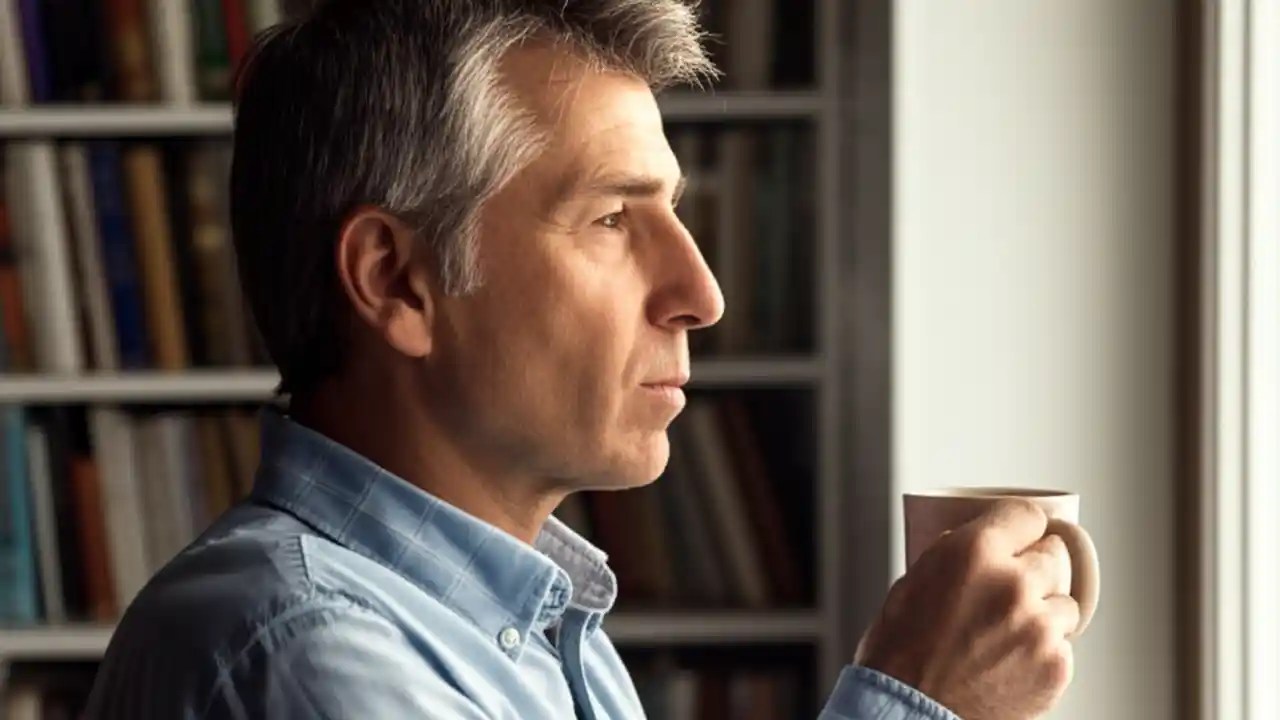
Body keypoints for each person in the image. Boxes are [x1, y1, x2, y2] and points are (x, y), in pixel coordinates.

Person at [85, 1, 1082, 718]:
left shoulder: (536, 629)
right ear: (395, 282)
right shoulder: (300, 652)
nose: (701, 293)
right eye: (611, 217)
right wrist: (915, 701)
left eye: (670, 212)